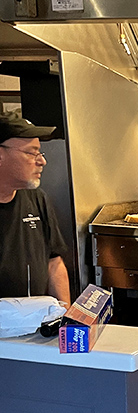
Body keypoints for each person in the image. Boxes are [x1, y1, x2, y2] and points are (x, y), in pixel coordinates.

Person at [0, 113, 71, 303]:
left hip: (35, 326)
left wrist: (65, 316)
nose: (42, 161)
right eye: (32, 153)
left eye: (41, 153)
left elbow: (54, 262)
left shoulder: (37, 198)